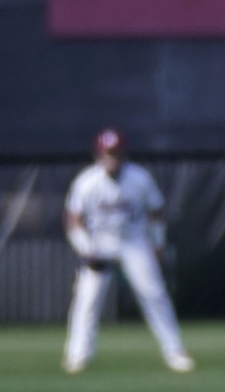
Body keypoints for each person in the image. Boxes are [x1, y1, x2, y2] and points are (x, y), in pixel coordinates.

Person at [62, 129, 195, 373]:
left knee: (154, 293)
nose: (111, 158)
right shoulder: (87, 181)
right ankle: (78, 354)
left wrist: (158, 244)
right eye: (107, 153)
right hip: (99, 241)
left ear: (124, 154)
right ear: (98, 154)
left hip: (133, 241)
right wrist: (85, 248)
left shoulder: (139, 178)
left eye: (116, 153)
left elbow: (156, 211)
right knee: (87, 298)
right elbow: (73, 220)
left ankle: (174, 350)